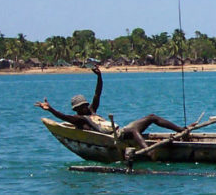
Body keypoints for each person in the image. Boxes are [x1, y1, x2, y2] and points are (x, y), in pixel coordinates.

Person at [35, 66, 183, 153]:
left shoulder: (92, 111)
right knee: (133, 130)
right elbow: (63, 117)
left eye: (85, 105)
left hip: (120, 131)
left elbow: (97, 93)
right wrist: (50, 109)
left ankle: (182, 130)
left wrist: (99, 76)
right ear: (77, 110)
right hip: (114, 138)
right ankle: (148, 152)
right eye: (82, 107)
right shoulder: (79, 119)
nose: (86, 107)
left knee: (151, 117)